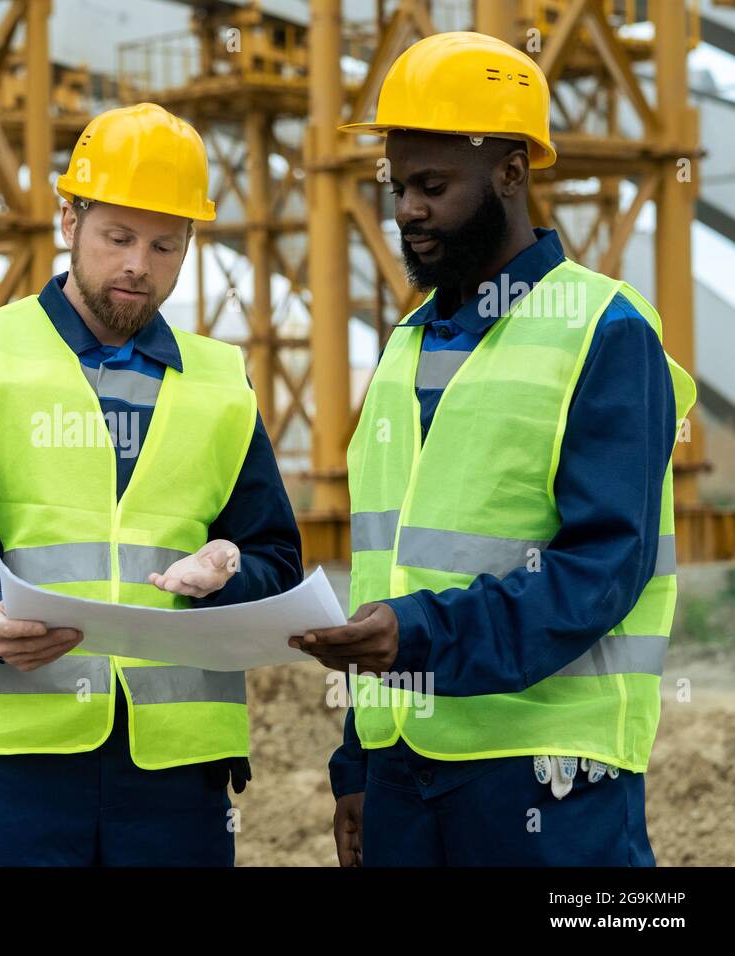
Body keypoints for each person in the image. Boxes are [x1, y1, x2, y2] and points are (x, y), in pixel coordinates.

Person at [295, 32, 697, 866]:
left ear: (511, 172)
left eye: (432, 186)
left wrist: (418, 636)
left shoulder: (605, 331)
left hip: (548, 783)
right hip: (404, 777)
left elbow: (601, 569)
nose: (407, 210)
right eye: (398, 186)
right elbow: (388, 575)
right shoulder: (406, 346)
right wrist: (359, 764)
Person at [0, 103, 303, 866]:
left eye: (164, 245)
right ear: (69, 221)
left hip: (179, 773)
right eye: (117, 237)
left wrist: (229, 571)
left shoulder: (221, 381)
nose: (139, 264)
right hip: (18, 759)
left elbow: (273, 554)